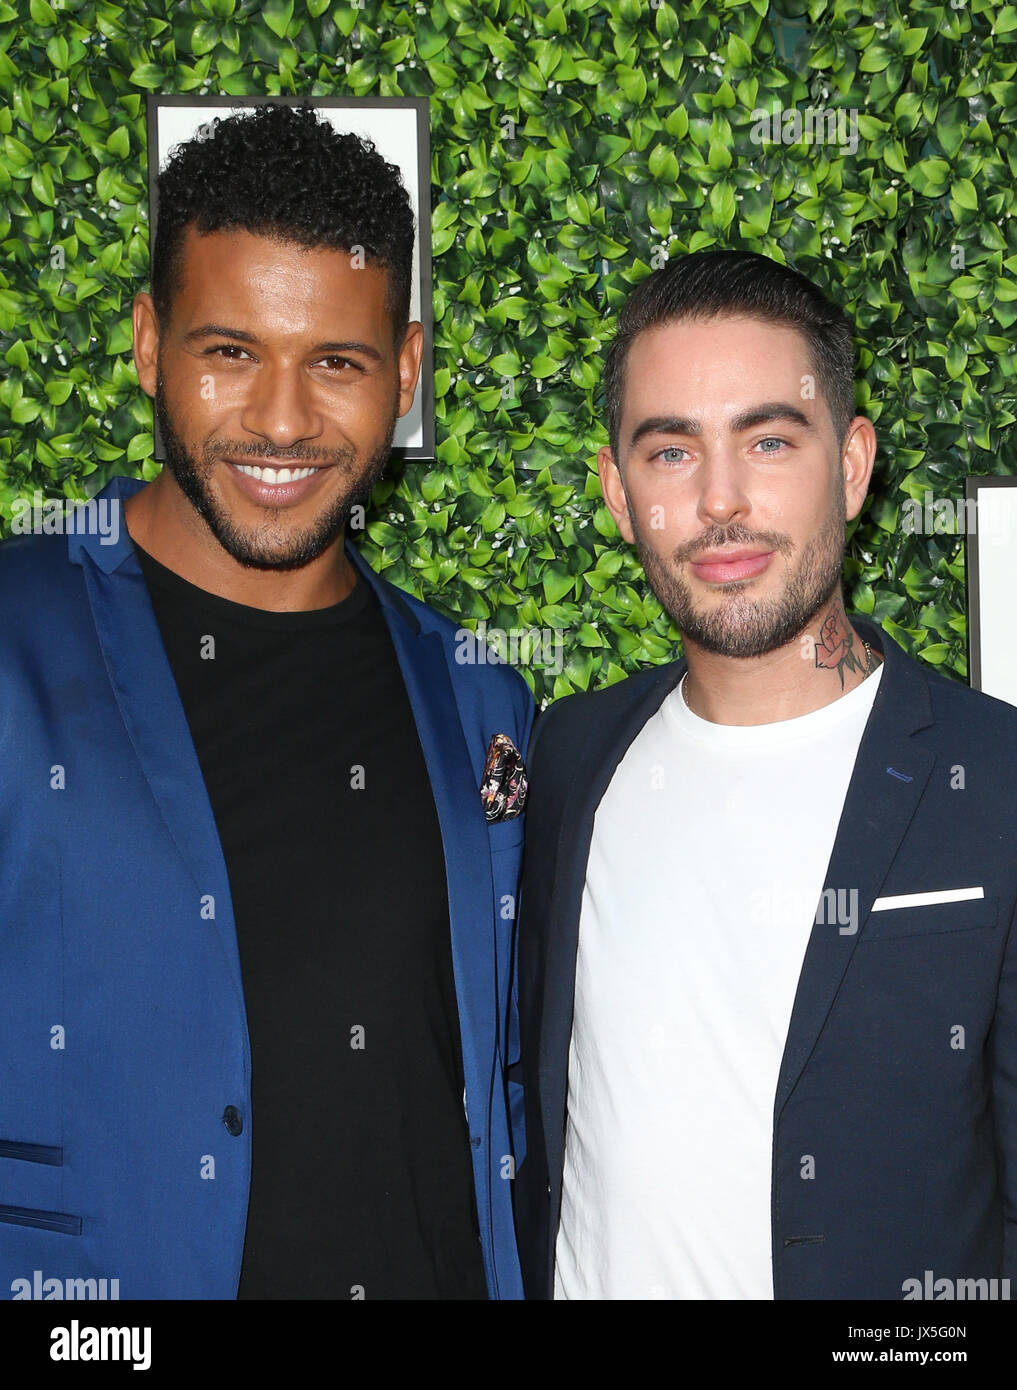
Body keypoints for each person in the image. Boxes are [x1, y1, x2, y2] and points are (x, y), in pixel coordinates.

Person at [0, 102, 533, 1300]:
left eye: (335, 362)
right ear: (148, 343)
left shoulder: (477, 686)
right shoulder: (14, 639)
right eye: (230, 351)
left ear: (404, 372)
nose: (284, 420)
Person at [513, 249, 1017, 1300]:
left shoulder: (993, 778)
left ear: (851, 462)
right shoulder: (570, 756)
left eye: (769, 439)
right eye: (671, 453)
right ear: (616, 491)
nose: (721, 503)